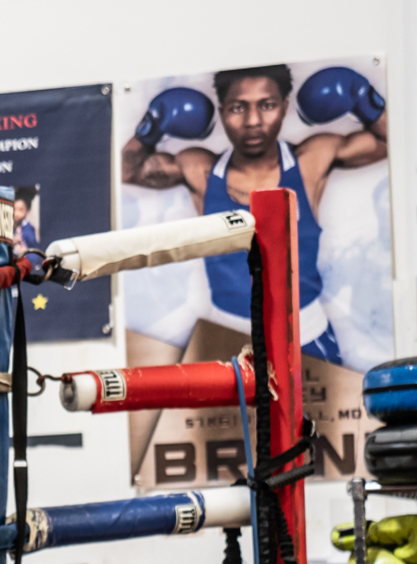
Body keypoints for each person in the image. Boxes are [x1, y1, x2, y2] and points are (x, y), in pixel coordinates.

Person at [121, 64, 387, 362]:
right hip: (225, 336)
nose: (253, 121)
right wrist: (151, 126)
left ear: (284, 107)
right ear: (222, 112)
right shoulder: (200, 170)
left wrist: (364, 97)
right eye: (238, 108)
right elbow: (125, 170)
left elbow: (391, 140)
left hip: (306, 335)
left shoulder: (311, 161)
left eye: (267, 105)